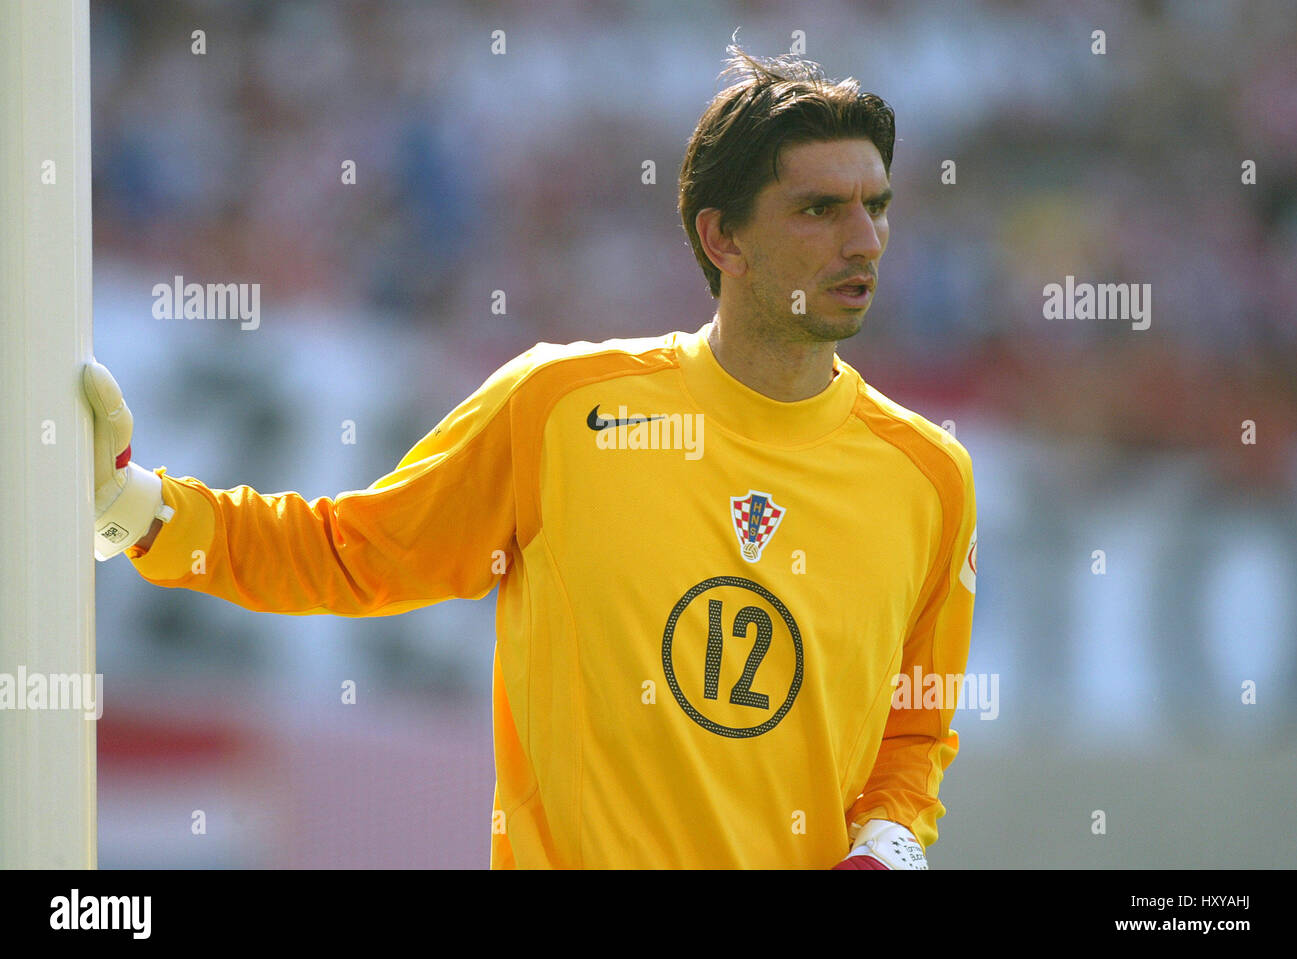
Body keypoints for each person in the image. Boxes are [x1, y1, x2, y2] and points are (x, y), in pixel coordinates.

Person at [85, 46, 977, 869]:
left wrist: (891, 839)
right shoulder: (562, 410)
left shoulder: (931, 476)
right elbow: (350, 553)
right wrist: (140, 506)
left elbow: (915, 731)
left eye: (878, 206)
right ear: (724, 240)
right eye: (821, 209)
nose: (865, 240)